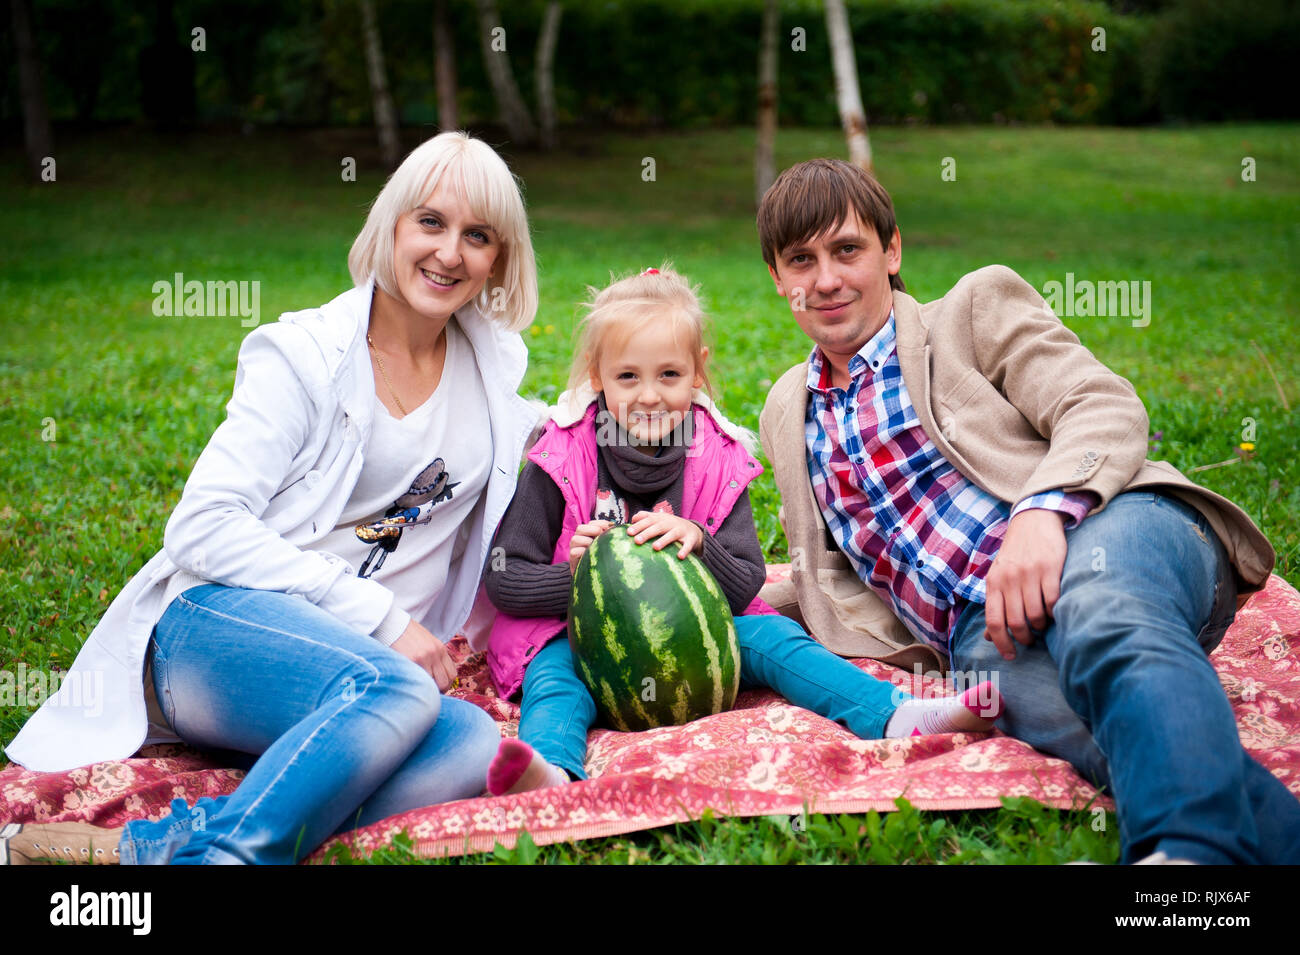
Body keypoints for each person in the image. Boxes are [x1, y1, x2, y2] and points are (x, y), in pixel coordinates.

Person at [1, 131, 541, 865]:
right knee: (394, 687)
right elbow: (203, 525)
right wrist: (380, 617)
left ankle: (147, 846)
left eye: (477, 236)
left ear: (498, 259)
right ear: (391, 224)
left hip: (352, 675)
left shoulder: (490, 371)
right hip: (214, 627)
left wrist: (691, 429)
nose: (450, 252)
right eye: (431, 222)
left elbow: (577, 424)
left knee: (470, 743)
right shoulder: (304, 355)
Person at [754, 157, 1300, 864]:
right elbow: (827, 571)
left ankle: (1184, 858)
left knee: (1100, 614)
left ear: (891, 250)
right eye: (801, 260)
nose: (825, 279)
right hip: (986, 633)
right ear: (777, 277)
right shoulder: (783, 411)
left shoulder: (971, 312)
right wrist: (724, 588)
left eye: (847, 249)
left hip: (1107, 528)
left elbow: (1099, 406)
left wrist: (1041, 516)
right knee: (1086, 722)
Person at [477, 265, 1003, 795]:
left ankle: (896, 716)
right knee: (554, 681)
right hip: (584, 646)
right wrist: (581, 577)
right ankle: (549, 769)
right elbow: (503, 578)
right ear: (597, 375)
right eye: (628, 376)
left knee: (777, 639)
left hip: (700, 643)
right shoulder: (560, 457)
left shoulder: (718, 458)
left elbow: (749, 580)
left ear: (698, 372)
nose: (650, 396)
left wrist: (701, 544)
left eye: (669, 375)